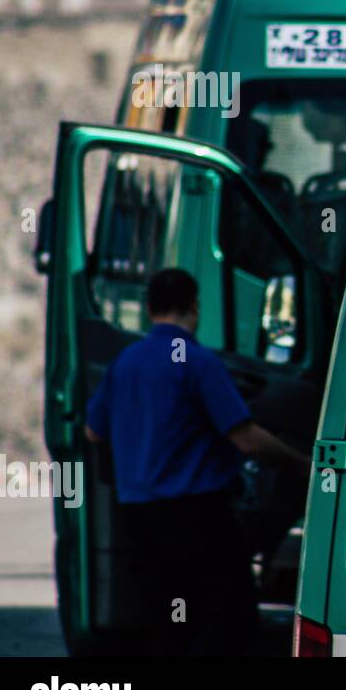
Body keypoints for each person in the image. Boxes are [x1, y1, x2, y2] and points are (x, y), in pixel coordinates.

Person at [85, 267, 310, 655]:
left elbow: (93, 431)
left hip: (138, 516)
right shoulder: (196, 360)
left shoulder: (125, 362)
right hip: (196, 516)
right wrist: (302, 463)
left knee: (171, 620)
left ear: (148, 307)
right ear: (195, 306)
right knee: (232, 615)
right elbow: (245, 438)